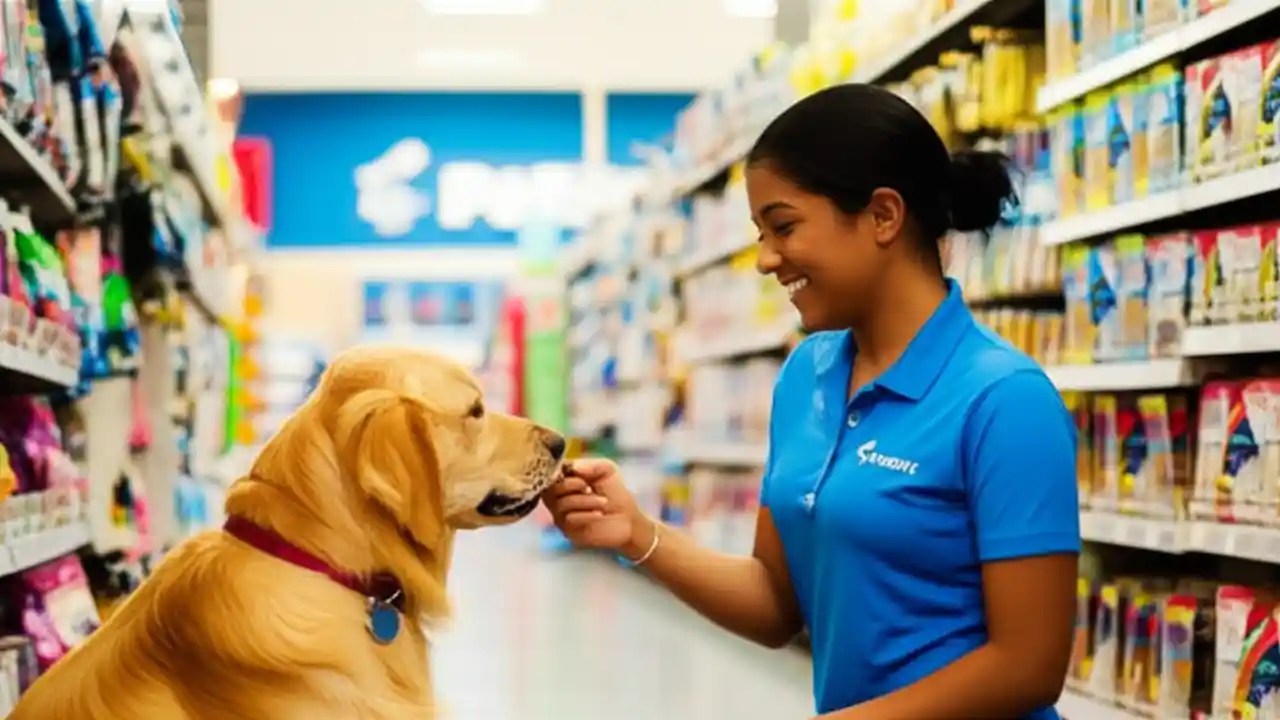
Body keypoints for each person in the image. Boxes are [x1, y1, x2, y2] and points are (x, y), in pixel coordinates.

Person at [543, 83, 1080, 720]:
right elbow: (775, 601)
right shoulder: (806, 377)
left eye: (784, 226)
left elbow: (1028, 665)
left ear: (883, 215)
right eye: (759, 233)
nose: (767, 259)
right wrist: (638, 534)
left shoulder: (1003, 400)